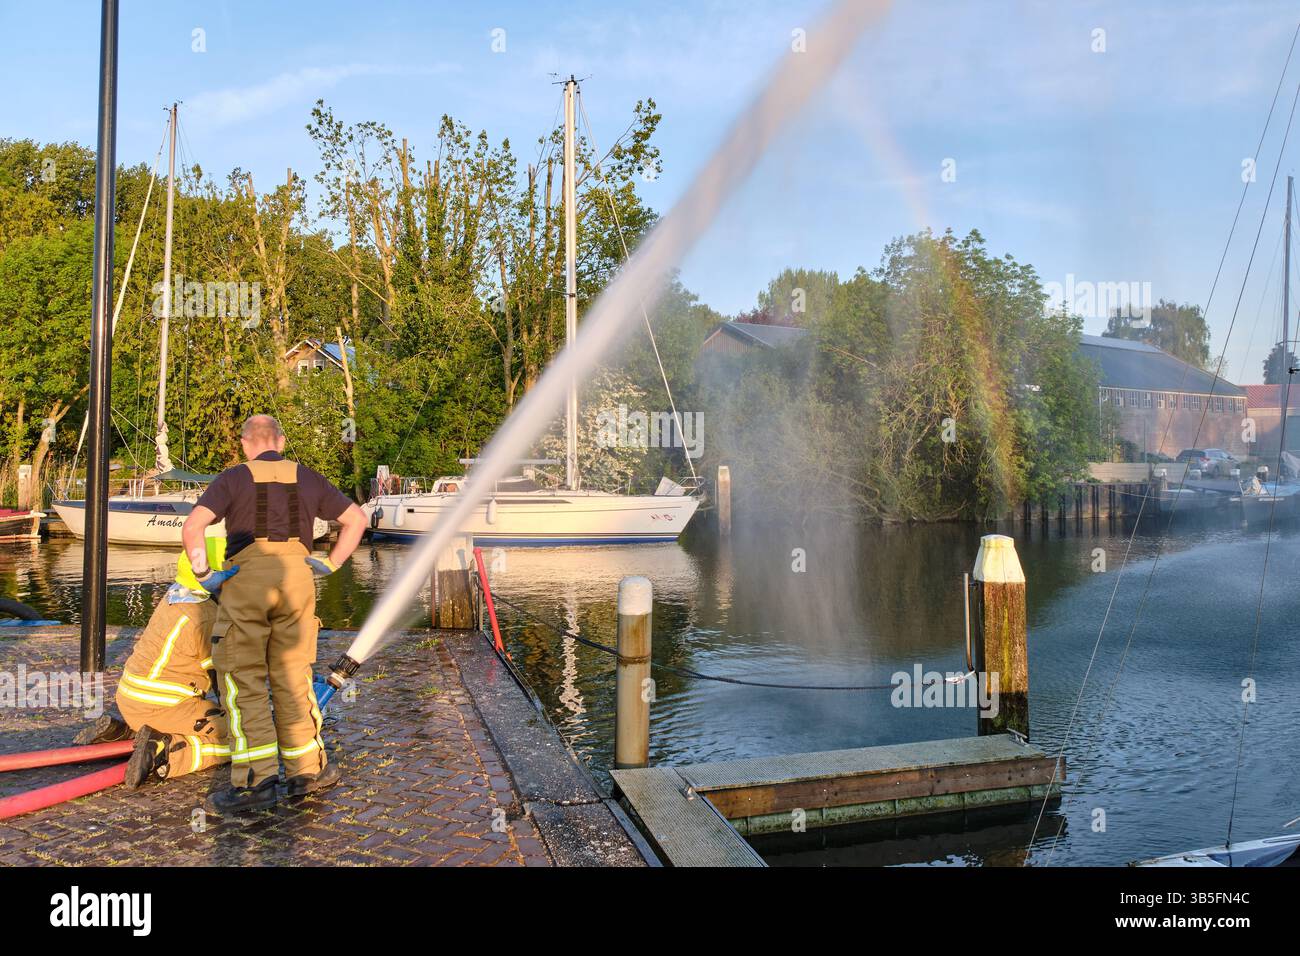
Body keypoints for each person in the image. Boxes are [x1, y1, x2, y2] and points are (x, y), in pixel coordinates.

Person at [182, 414, 367, 815]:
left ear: (246, 444)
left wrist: (206, 576)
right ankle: (307, 772)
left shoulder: (233, 477)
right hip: (296, 582)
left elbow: (193, 527)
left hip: (245, 584)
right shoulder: (308, 477)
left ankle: (256, 783)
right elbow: (357, 520)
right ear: (280, 442)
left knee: (243, 681)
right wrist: (331, 564)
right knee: (294, 677)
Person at [76, 536, 240, 789]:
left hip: (131, 700)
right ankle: (165, 753)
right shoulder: (207, 617)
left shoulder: (177, 595)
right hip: (163, 708)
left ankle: (121, 734)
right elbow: (223, 680)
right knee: (243, 735)